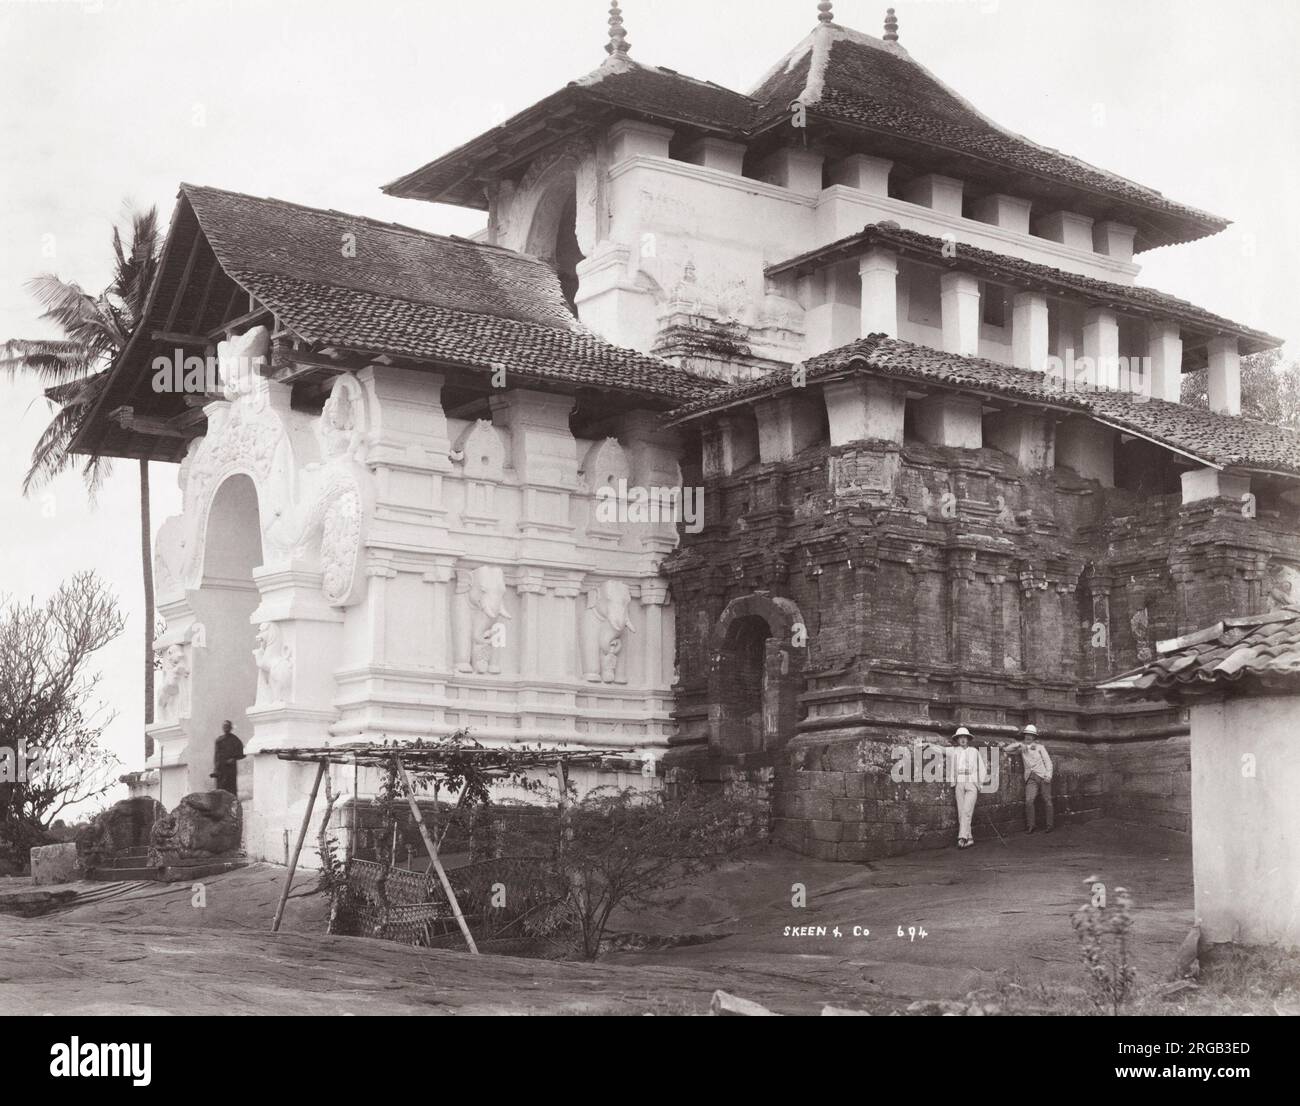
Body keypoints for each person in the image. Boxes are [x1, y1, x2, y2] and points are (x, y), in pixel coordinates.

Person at [1005, 724, 1054, 833]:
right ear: (1024, 735)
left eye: (1031, 735)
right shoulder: (1022, 747)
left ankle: (1049, 825)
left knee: (1047, 800)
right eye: (1027, 735)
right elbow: (1006, 750)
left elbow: (1048, 762)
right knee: (1029, 801)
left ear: (1034, 737)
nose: (1028, 737)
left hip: (1043, 776)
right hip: (1030, 778)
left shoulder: (1040, 747)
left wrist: (1048, 775)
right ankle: (1031, 825)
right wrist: (1019, 745)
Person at [950, 726, 984, 849]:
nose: (963, 740)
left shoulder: (974, 751)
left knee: (966, 811)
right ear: (957, 740)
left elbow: (982, 768)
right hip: (959, 781)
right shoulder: (954, 751)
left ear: (968, 739)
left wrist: (979, 784)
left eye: (965, 737)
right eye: (960, 738)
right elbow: (942, 749)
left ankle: (962, 837)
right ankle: (969, 838)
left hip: (971, 782)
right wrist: (929, 745)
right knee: (961, 812)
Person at [211, 720, 245, 795]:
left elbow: (242, 753)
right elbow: (216, 756)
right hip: (221, 769)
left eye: (227, 727)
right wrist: (216, 769)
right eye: (224, 726)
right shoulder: (219, 740)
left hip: (230, 769)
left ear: (231, 728)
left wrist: (234, 758)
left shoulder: (235, 740)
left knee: (231, 789)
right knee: (220, 789)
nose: (226, 728)